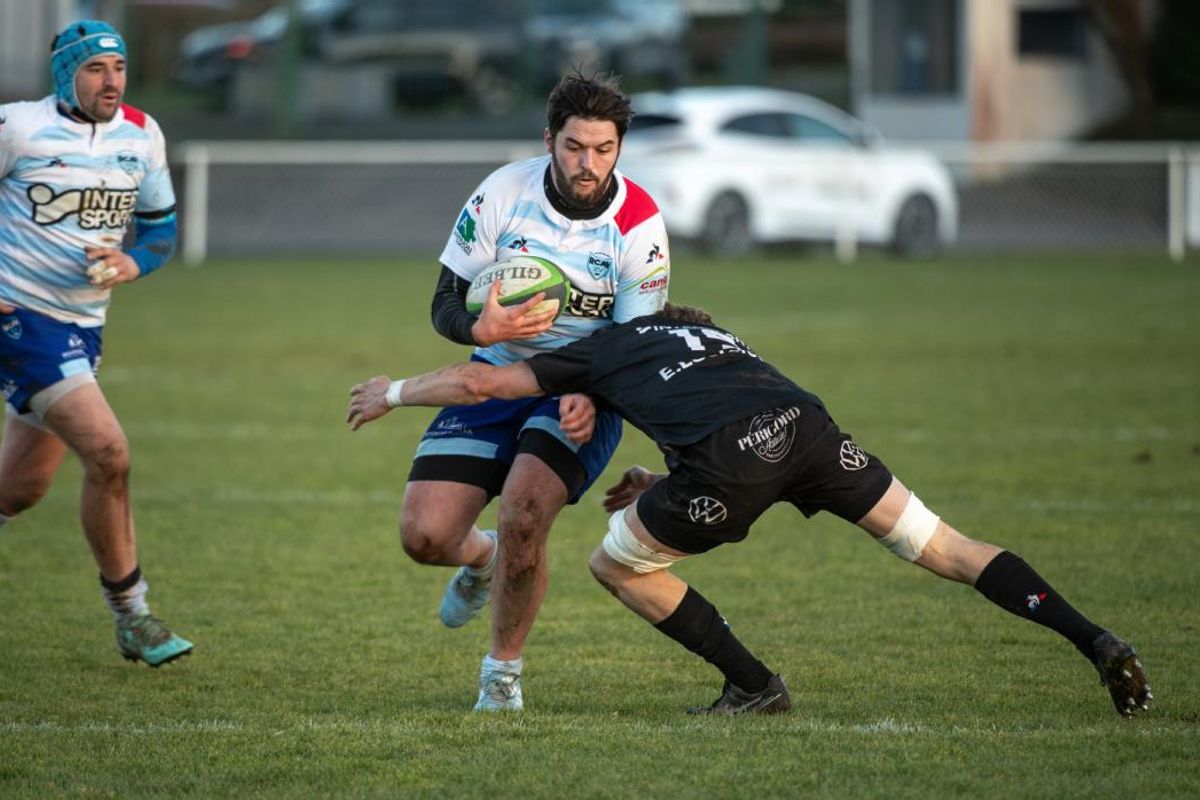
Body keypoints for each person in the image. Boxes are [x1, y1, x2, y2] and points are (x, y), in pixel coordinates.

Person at [347, 303, 1152, 717]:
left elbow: (485, 382)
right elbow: (702, 407)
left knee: (612, 562)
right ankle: (1096, 639)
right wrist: (655, 484)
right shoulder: (717, 338)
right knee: (945, 547)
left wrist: (393, 392)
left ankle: (755, 685)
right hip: (806, 426)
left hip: (734, 459)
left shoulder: (607, 347)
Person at [393, 70, 669, 710]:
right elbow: (441, 303)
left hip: (582, 391)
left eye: (604, 150)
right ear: (550, 140)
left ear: (620, 147)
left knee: (523, 511)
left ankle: (501, 676)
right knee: (424, 537)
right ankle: (481, 559)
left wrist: (595, 397)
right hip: (497, 373)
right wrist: (476, 326)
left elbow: (636, 346)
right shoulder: (503, 193)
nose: (588, 163)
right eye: (575, 147)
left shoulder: (639, 223)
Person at [0, 21, 192, 666]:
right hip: (20, 319)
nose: (111, 81)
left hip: (85, 325)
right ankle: (133, 614)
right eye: (94, 69)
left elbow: (161, 231)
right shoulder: (19, 128)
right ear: (65, 74)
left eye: (118, 67)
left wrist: (132, 263)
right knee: (109, 452)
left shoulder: (142, 132)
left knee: (19, 490)